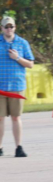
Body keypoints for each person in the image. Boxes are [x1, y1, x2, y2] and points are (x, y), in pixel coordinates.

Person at [0, 15, 35, 157]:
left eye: (11, 26)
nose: (9, 29)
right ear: (2, 28)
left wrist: (17, 58)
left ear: (15, 27)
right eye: (6, 27)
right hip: (1, 87)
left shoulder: (22, 43)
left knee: (16, 117)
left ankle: (18, 147)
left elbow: (30, 64)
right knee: (0, 118)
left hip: (16, 86)